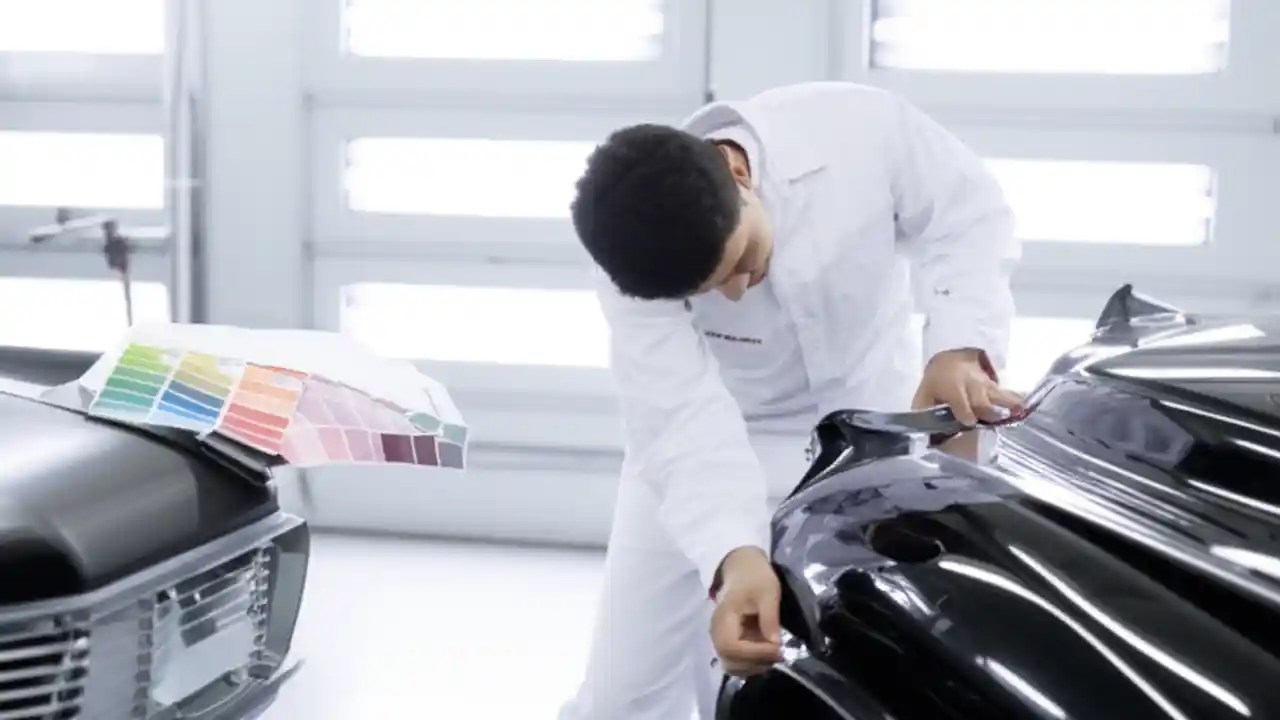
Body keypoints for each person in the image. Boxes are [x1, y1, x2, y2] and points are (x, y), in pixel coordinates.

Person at [559, 81, 1023, 719]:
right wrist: (735, 556)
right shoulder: (631, 263)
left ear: (737, 173)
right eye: (708, 290)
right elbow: (680, 418)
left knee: (868, 664)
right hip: (713, 437)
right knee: (620, 696)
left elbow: (967, 214)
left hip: (869, 426)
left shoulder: (856, 126)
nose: (734, 292)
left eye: (740, 260)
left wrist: (959, 347)